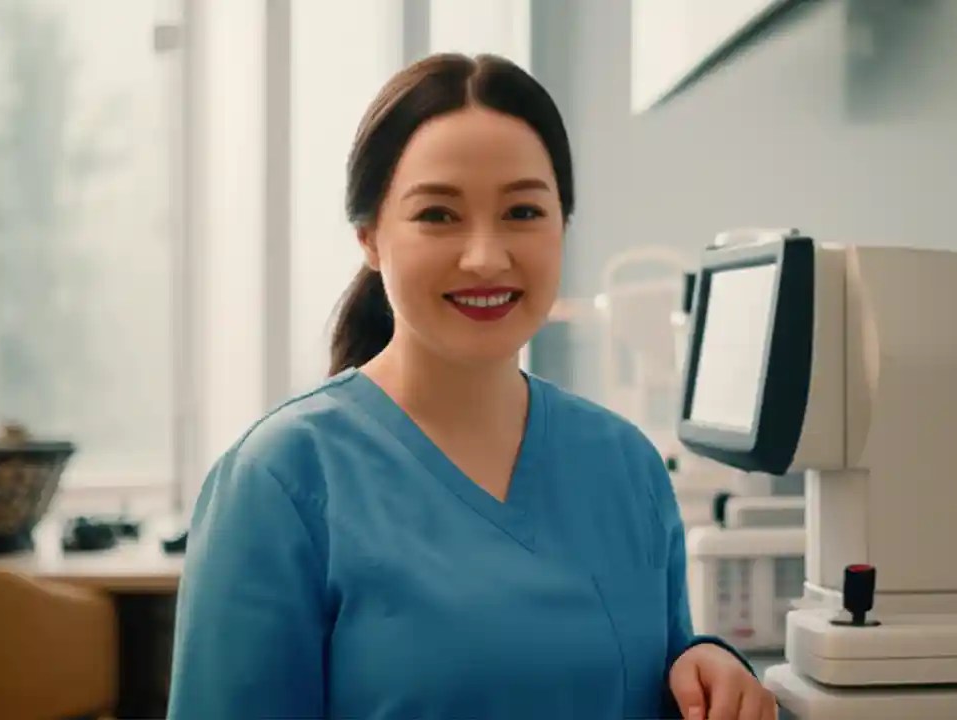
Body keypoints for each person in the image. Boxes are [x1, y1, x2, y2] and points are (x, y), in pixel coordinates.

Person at [166, 53, 777, 720]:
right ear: (370, 237)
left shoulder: (626, 465)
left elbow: (648, 668)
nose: (485, 256)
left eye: (523, 211)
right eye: (438, 214)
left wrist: (703, 664)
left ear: (562, 226)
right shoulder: (280, 481)